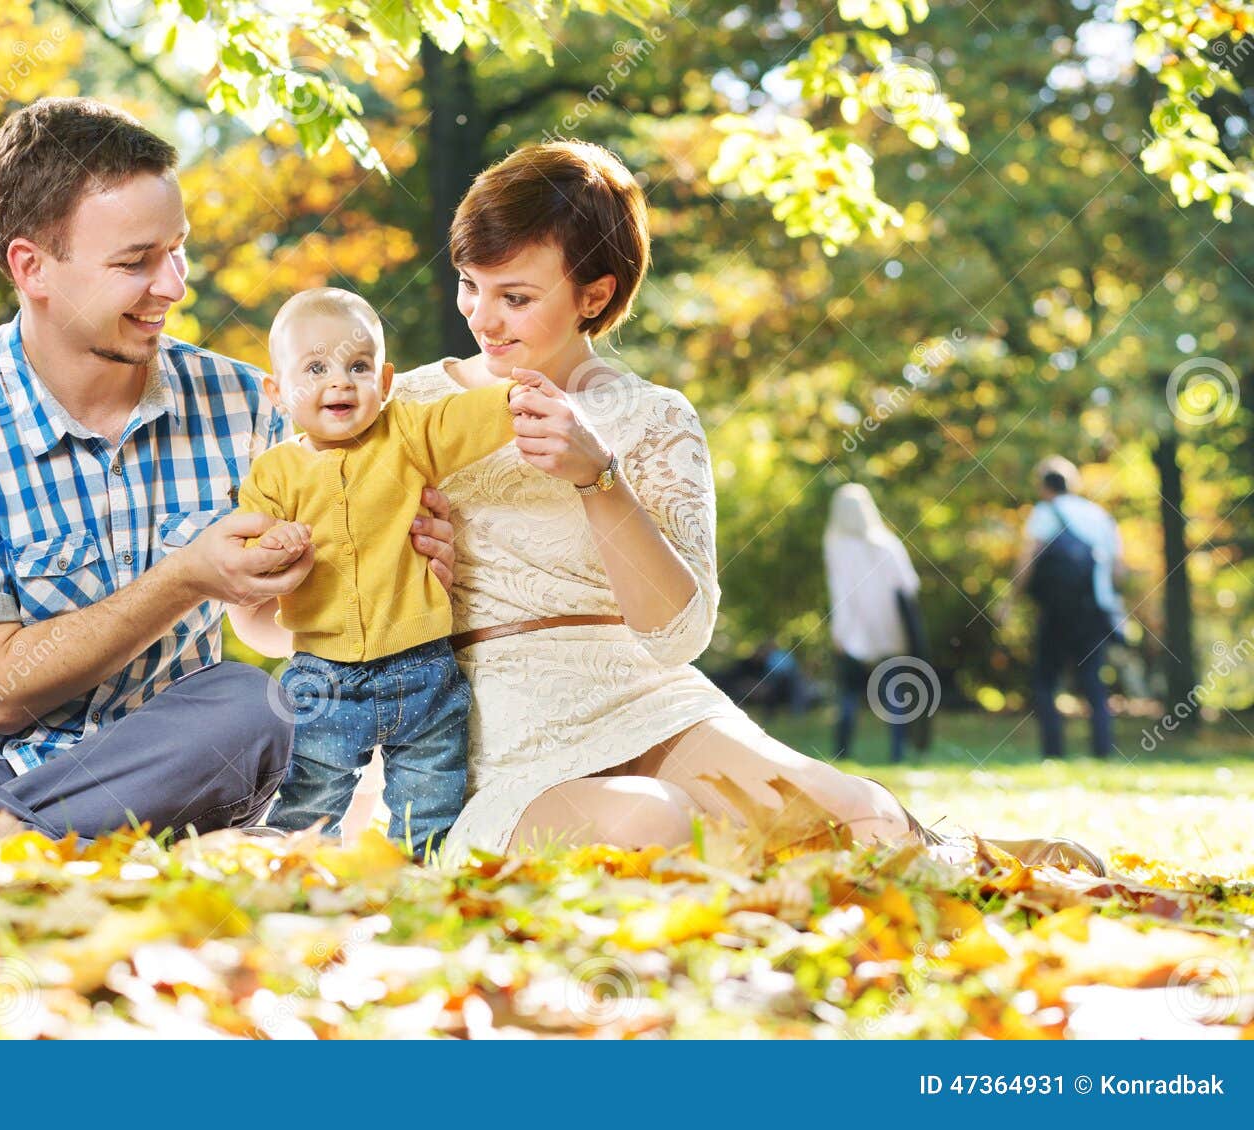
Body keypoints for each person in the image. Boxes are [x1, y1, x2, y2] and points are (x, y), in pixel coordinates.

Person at [0, 98, 461, 844]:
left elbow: (273, 622)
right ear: (32, 267)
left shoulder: (246, 408)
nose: (173, 285)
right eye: (136, 262)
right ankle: (16, 841)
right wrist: (187, 576)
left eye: (177, 248)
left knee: (251, 704)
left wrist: (396, 561)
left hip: (139, 764)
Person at [387, 140, 1103, 874]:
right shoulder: (403, 406)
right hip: (490, 726)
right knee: (654, 824)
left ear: (593, 296)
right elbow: (318, 615)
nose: (482, 316)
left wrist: (597, 478)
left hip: (646, 700)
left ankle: (941, 851)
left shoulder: (654, 418)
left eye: (516, 297)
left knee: (862, 822)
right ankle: (837, 855)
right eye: (470, 284)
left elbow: (677, 635)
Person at [230, 288, 527, 857]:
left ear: (385, 383)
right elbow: (247, 553)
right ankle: (302, 882)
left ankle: (415, 881)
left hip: (423, 667)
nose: (340, 382)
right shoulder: (274, 473)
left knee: (432, 793)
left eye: (358, 366)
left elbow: (458, 420)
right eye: (314, 368)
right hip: (324, 675)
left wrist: (513, 398)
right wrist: (274, 542)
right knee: (311, 795)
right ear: (277, 392)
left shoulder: (407, 437)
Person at [1015, 456, 1124, 759]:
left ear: (1043, 485)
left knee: (1046, 680)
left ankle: (1053, 751)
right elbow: (1118, 569)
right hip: (1095, 609)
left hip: (1056, 610)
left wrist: (1012, 599)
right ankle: (1103, 750)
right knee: (1093, 679)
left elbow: (1027, 560)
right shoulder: (1098, 515)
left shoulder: (1044, 513)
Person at [824, 483, 925, 763]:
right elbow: (909, 585)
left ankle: (841, 752)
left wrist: (839, 632)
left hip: (854, 627)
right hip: (890, 628)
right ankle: (898, 751)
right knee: (893, 688)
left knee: (849, 691)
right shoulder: (887, 543)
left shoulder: (836, 545)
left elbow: (839, 592)